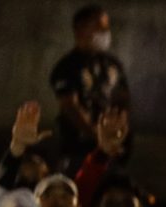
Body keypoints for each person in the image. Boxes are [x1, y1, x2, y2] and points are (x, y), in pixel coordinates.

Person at [49, 4, 130, 169]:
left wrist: (119, 132)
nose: (105, 34)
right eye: (99, 28)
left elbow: (123, 99)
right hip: (79, 149)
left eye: (106, 28)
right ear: (80, 29)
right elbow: (71, 107)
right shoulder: (67, 67)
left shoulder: (112, 64)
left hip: (113, 147)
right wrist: (98, 137)